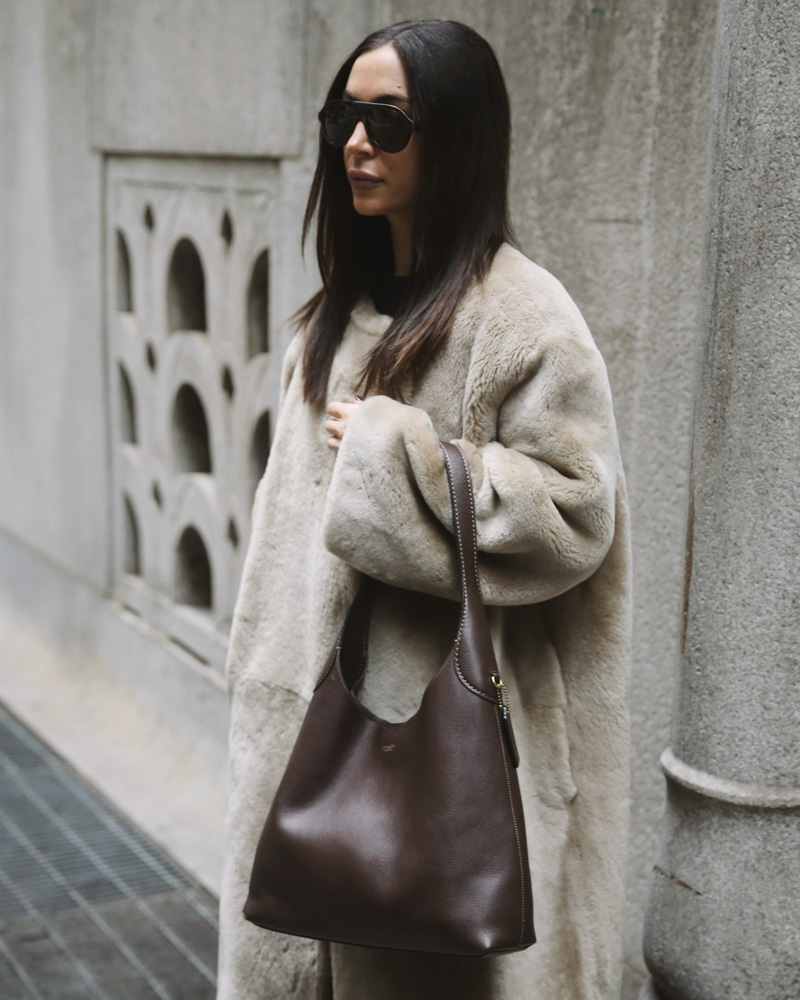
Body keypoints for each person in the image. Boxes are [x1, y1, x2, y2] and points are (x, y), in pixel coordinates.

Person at [217, 19, 630, 1000]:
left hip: (436, 773)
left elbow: (576, 513)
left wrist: (394, 455)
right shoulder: (331, 317)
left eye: (389, 122)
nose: (357, 143)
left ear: (457, 139)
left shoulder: (523, 319)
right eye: (344, 118)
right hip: (302, 740)